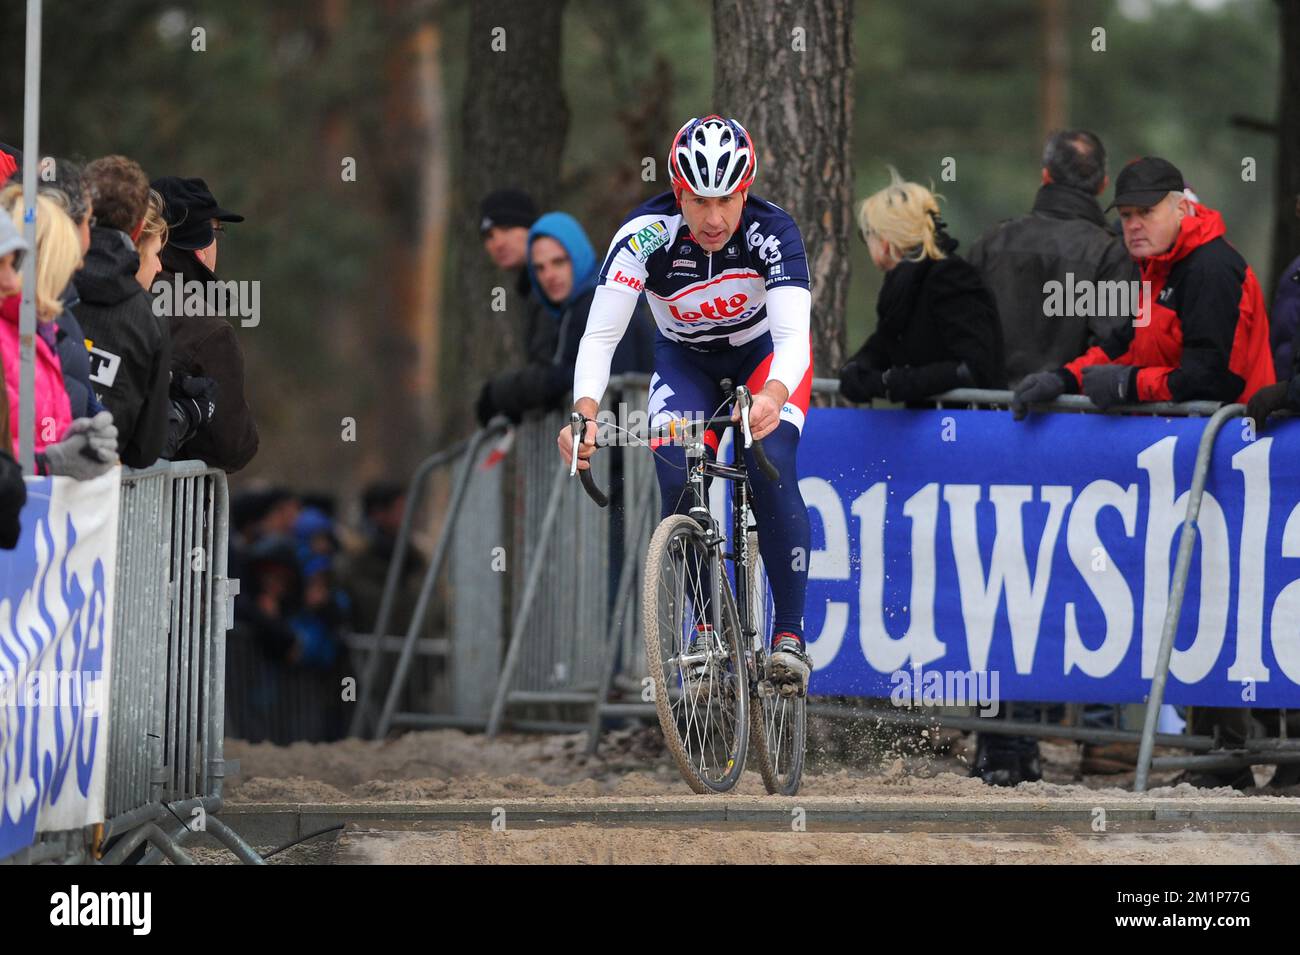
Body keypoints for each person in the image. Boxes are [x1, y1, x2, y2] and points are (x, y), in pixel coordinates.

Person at [558, 115, 814, 691]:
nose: (715, 217)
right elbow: (600, 336)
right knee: (676, 472)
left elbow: (795, 338)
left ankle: (790, 636)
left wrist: (773, 394)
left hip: (764, 360)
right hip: (687, 363)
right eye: (699, 201)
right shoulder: (644, 236)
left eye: (727, 199)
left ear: (745, 191)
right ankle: (704, 627)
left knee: (770, 462)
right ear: (678, 193)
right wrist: (585, 412)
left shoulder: (774, 232)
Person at [1012, 157, 1274, 418]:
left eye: (1146, 212)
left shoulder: (1211, 268)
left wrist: (1129, 384)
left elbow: (1214, 379)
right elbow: (1124, 345)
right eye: (1126, 215)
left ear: (1181, 209)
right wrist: (1065, 379)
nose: (1133, 225)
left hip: (1234, 440)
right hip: (1180, 434)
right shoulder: (1156, 265)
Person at [968, 130, 1138, 385]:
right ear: (1103, 183)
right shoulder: (1112, 253)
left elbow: (963, 332)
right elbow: (1113, 346)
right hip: (1071, 415)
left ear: (1045, 175)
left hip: (985, 412)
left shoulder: (990, 241)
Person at [838, 170, 1004, 406]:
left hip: (969, 427)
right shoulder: (902, 283)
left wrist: (891, 383)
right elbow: (887, 339)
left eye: (867, 236)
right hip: (933, 425)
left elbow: (973, 366)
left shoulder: (951, 278)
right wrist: (859, 367)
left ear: (885, 241)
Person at [475, 211, 652, 424]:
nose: (549, 275)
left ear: (577, 257)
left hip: (626, 443)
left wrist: (545, 384)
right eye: (539, 268)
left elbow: (610, 377)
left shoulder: (596, 303)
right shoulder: (575, 307)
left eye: (558, 262)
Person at [0, 197, 117, 479]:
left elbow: (39, 432)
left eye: (11, 264)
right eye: (1, 264)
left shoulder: (39, 333)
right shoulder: (25, 333)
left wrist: (75, 439)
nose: (77, 266)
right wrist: (52, 462)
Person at [152, 175, 258, 471]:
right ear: (200, 242)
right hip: (171, 510)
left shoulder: (113, 292)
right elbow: (234, 448)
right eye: (216, 232)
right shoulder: (208, 329)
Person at [74, 155, 171, 468]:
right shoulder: (148, 319)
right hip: (96, 498)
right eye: (156, 254)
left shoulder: (38, 282)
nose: (159, 266)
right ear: (139, 227)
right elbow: (144, 449)